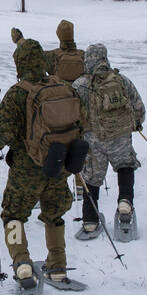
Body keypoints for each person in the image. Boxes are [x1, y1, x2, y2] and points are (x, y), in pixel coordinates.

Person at [0, 38, 77, 284]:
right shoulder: (63, 87)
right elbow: (81, 123)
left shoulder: (18, 93)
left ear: (19, 64)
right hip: (58, 164)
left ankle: (21, 262)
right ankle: (58, 266)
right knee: (54, 214)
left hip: (26, 169)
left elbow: (1, 133)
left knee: (13, 214)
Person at [73, 43, 146, 234]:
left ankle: (90, 220)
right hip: (120, 137)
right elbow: (138, 107)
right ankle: (125, 202)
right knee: (125, 166)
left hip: (92, 139)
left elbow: (73, 114)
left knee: (92, 177)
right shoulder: (121, 80)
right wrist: (136, 123)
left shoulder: (80, 85)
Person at [44, 20, 88, 199]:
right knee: (79, 145)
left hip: (58, 107)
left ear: (59, 36)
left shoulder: (52, 56)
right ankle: (80, 185)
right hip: (79, 107)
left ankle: (54, 186)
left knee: (54, 144)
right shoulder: (83, 55)